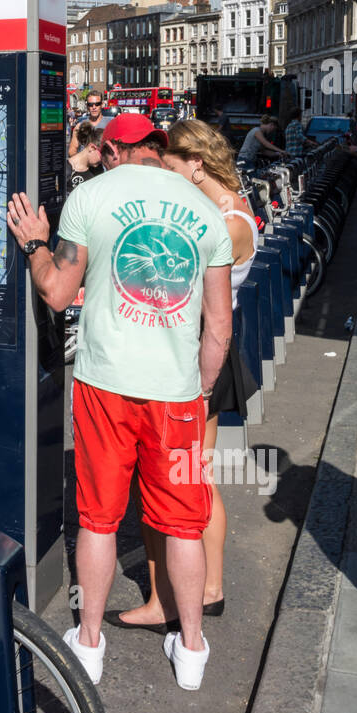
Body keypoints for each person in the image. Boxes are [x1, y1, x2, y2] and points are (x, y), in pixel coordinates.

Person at [7, 113, 234, 690]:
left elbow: (56, 293)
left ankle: (87, 645)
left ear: (111, 149)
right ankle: (191, 649)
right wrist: (200, 389)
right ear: (158, 148)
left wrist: (34, 242)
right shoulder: (206, 210)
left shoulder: (90, 198)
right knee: (183, 526)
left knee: (100, 519)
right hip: (176, 395)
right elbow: (219, 330)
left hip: (105, 388)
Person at [106, 119, 258, 635]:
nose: (165, 176)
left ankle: (186, 595)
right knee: (196, 476)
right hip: (201, 351)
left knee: (182, 480)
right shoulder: (225, 207)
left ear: (195, 163)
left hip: (198, 357)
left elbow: (177, 284)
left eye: (169, 165)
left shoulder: (227, 221)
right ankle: (202, 589)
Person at [67, 122, 104, 192]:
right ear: (92, 148)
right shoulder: (66, 169)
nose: (103, 160)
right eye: (102, 154)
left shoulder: (98, 171)